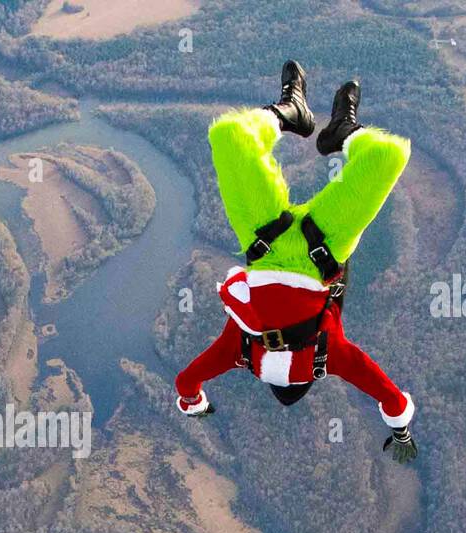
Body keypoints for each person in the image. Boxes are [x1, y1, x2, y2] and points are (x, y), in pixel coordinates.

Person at [174, 60, 418, 463]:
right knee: (230, 136)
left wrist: (401, 430)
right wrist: (195, 405)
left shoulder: (322, 357)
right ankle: (336, 131)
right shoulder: (244, 351)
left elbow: (387, 393)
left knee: (386, 156)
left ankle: (294, 114)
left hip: (280, 243)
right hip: (288, 245)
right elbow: (186, 381)